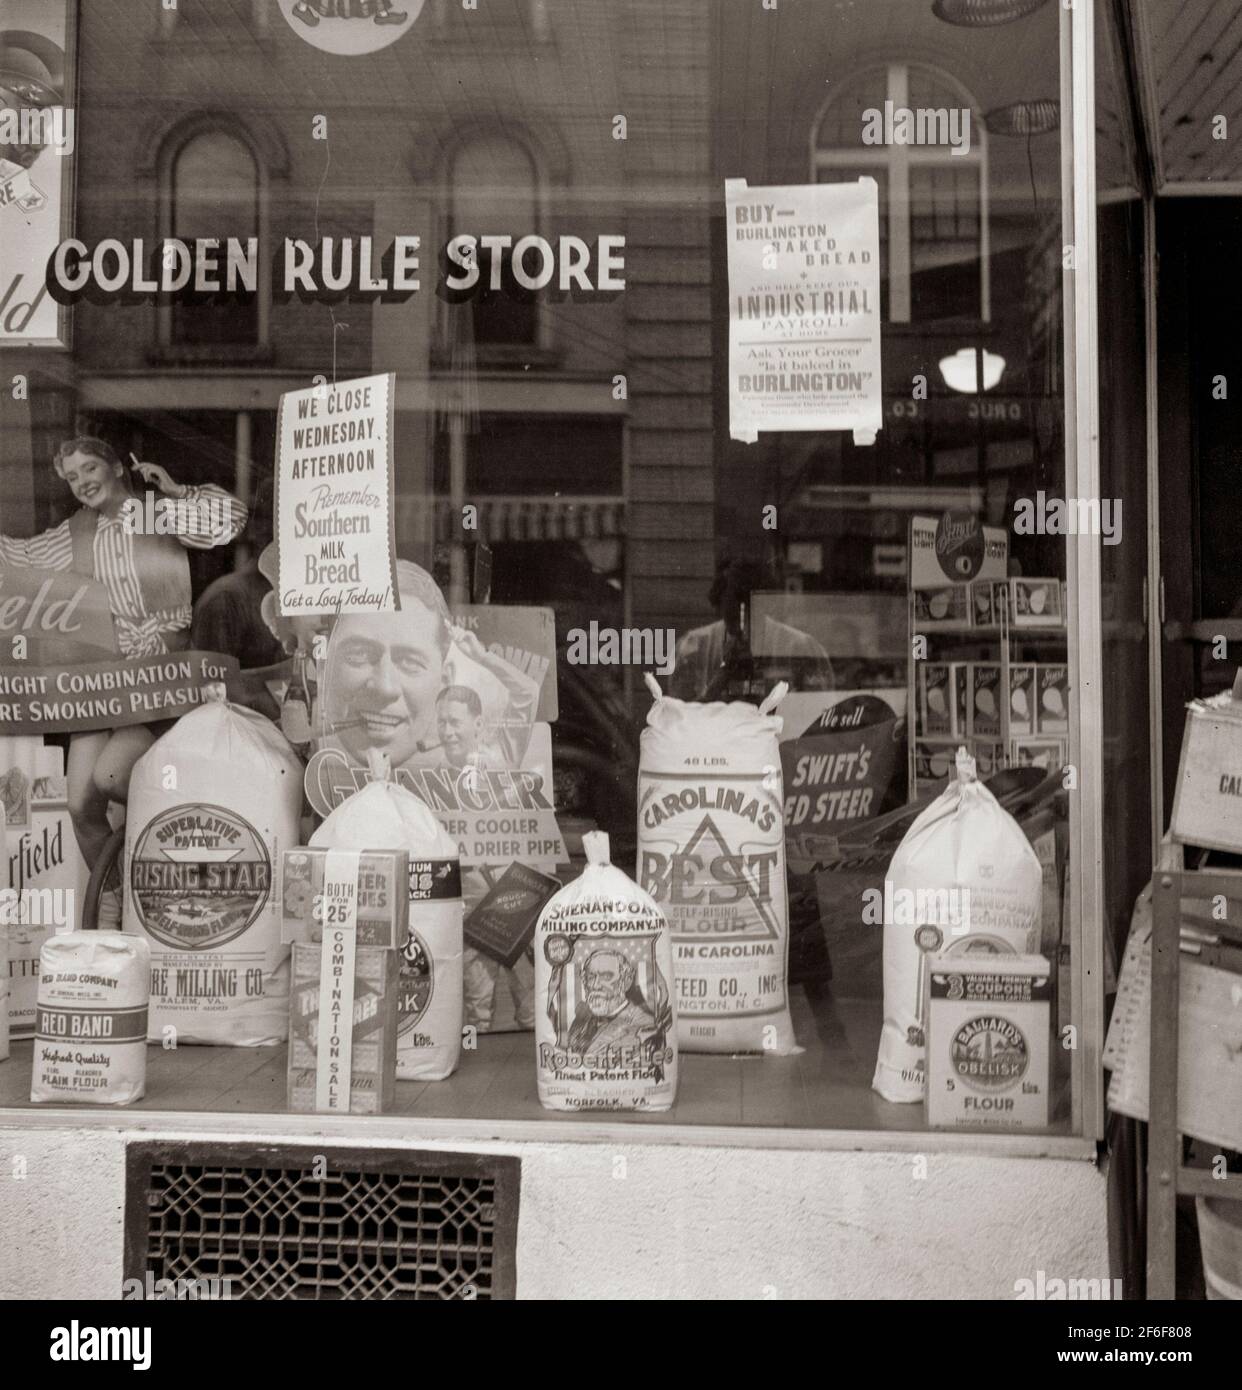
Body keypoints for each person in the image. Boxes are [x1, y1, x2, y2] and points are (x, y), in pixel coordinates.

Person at [0, 436, 246, 868]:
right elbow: (19, 557)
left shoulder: (150, 514)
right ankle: (113, 900)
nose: (82, 482)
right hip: (103, 678)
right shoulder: (76, 533)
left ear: (116, 468)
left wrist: (177, 491)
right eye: (73, 477)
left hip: (160, 675)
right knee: (79, 803)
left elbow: (232, 520)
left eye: (89, 469)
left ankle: (182, 833)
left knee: (112, 777)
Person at [320, 559, 537, 772]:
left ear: (444, 681)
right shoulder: (316, 760)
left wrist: (483, 657)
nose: (384, 687)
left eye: (409, 662)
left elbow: (527, 692)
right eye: (359, 654)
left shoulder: (485, 763)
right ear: (327, 668)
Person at [670, 558, 834, 701]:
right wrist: (723, 675)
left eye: (751, 614)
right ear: (720, 604)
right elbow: (677, 718)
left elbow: (818, 711)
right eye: (735, 616)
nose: (744, 628)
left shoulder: (801, 647)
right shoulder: (695, 645)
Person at [565, 949, 656, 1057]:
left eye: (606, 976)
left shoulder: (643, 1023)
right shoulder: (580, 1022)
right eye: (590, 977)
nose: (595, 985)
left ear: (627, 980)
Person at [435, 685, 486, 770]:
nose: (447, 732)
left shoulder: (502, 772)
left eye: (455, 723)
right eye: (442, 722)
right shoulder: (428, 781)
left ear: (478, 724)